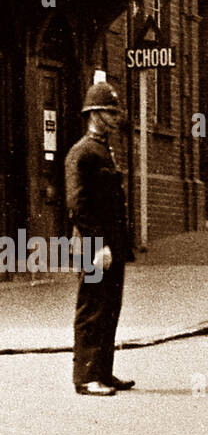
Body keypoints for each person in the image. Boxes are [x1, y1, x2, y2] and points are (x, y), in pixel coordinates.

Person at [65, 82, 134, 397]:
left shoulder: (104, 150)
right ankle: (87, 377)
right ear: (93, 114)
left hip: (111, 246)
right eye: (109, 111)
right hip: (93, 247)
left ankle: (104, 371)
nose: (115, 116)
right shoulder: (81, 153)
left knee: (110, 307)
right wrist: (98, 245)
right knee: (92, 308)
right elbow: (78, 205)